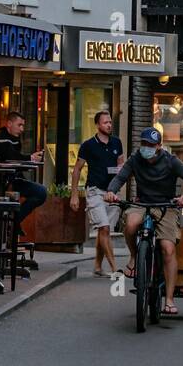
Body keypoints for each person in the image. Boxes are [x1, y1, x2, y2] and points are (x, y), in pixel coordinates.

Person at [104, 127, 183, 317]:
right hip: (142, 203)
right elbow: (120, 177)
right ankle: (134, 256)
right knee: (131, 224)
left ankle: (169, 300)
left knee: (167, 248)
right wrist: (111, 191)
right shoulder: (135, 159)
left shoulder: (171, 161)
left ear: (159, 146)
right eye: (144, 144)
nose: (146, 147)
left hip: (166, 205)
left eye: (151, 145)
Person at [70, 110, 125, 278]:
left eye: (110, 122)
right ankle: (115, 268)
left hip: (112, 192)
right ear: (97, 125)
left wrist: (119, 183)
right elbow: (77, 169)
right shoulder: (88, 145)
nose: (109, 125)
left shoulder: (117, 142)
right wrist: (74, 195)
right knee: (105, 228)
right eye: (105, 122)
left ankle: (97, 266)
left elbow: (122, 164)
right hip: (94, 191)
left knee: (104, 231)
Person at [0, 111, 47, 235]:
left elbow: (15, 161)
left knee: (41, 192)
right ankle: (11, 223)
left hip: (12, 179)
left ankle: (14, 221)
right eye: (19, 125)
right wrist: (30, 158)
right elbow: (11, 157)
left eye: (23, 125)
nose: (22, 129)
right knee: (39, 192)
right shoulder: (0, 138)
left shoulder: (13, 139)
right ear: (9, 124)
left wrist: (28, 162)